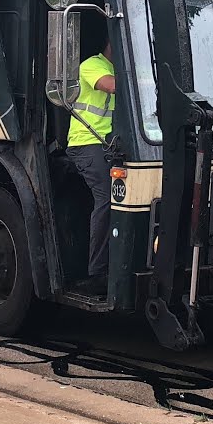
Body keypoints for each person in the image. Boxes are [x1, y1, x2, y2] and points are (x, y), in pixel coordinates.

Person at [67, 40, 115, 292]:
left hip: (109, 144)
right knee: (107, 197)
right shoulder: (92, 65)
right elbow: (111, 86)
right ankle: (97, 272)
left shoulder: (129, 71)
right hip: (85, 143)